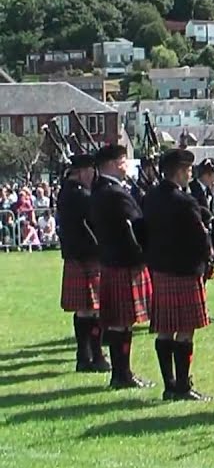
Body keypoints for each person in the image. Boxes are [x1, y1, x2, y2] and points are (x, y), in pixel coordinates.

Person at [143, 149, 214, 401]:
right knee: (185, 330)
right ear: (181, 171)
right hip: (185, 270)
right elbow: (200, 236)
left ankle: (169, 385)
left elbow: (142, 232)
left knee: (164, 330)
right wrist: (208, 257)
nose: (190, 174)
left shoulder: (150, 198)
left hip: (160, 270)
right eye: (188, 170)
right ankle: (183, 386)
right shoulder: (186, 202)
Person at [89, 143, 153, 389]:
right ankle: (122, 374)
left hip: (110, 260)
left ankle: (121, 373)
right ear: (114, 164)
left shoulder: (99, 191)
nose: (127, 166)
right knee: (121, 323)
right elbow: (136, 224)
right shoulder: (115, 193)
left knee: (119, 322)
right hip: (125, 260)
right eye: (124, 161)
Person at [57, 153, 108, 373]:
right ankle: (95, 355)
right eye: (91, 171)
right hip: (88, 255)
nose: (93, 175)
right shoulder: (81, 195)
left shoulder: (66, 192)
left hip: (75, 256)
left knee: (84, 311)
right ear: (83, 171)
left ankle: (84, 355)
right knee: (93, 310)